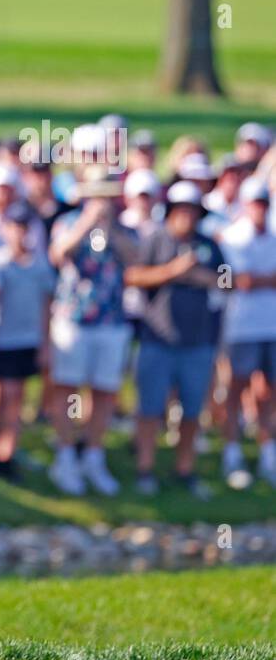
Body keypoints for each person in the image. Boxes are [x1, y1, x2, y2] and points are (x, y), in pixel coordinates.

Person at [124, 182, 225, 498]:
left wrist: (199, 277)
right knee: (150, 408)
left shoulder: (208, 245)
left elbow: (229, 280)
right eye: (181, 210)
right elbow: (134, 275)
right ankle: (145, 468)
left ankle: (185, 468)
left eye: (192, 211)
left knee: (192, 410)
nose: (187, 217)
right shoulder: (155, 238)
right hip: (158, 338)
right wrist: (173, 271)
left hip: (197, 341)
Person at [46, 157, 139, 496]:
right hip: (74, 320)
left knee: (104, 392)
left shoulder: (123, 228)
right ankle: (65, 456)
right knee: (67, 390)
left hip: (111, 321)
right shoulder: (69, 222)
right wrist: (87, 223)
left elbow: (135, 260)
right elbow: (58, 254)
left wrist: (110, 231)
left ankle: (93, 455)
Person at [0, 203, 54, 480]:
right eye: (14, 226)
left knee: (15, 400)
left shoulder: (39, 264)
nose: (19, 233)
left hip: (26, 340)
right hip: (0, 340)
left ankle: (6, 454)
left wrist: (45, 343)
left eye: (24, 227)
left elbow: (46, 306)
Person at [219, 176, 276, 488]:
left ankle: (268, 452)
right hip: (241, 327)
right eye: (255, 203)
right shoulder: (232, 237)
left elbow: (252, 279)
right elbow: (238, 281)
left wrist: (256, 279)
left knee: (268, 392)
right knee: (237, 390)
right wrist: (260, 279)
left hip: (271, 326)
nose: (259, 209)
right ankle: (232, 452)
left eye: (263, 203)